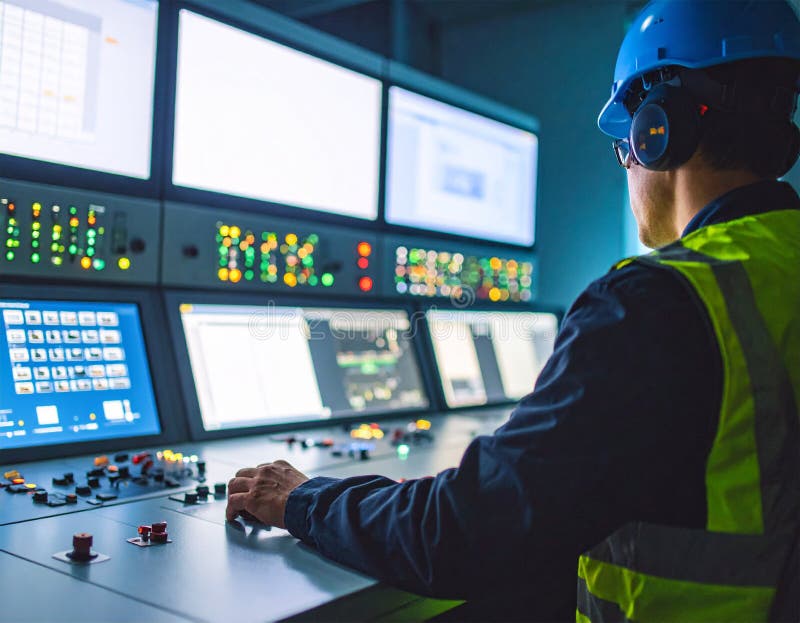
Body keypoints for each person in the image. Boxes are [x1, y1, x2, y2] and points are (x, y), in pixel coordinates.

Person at [227, 2, 800, 620]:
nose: (627, 167)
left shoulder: (657, 303)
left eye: (625, 145)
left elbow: (461, 534)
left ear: (655, 130)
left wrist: (303, 499)